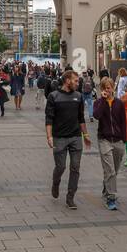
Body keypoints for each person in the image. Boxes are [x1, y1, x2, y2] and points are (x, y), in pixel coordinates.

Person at [45, 69, 90, 210]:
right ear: (67, 81)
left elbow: (81, 118)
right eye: (75, 81)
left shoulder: (79, 96)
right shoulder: (54, 96)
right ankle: (56, 182)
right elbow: (49, 118)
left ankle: (70, 197)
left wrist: (86, 135)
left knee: (75, 167)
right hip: (59, 138)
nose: (78, 83)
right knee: (61, 166)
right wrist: (49, 136)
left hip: (76, 137)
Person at [92, 76, 126, 210]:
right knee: (110, 170)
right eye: (106, 88)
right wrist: (102, 100)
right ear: (102, 89)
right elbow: (96, 115)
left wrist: (125, 139)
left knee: (114, 171)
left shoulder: (119, 103)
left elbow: (123, 122)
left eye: (110, 87)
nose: (109, 90)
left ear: (113, 88)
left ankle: (107, 188)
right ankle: (111, 198)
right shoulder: (99, 103)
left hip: (118, 140)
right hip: (104, 140)